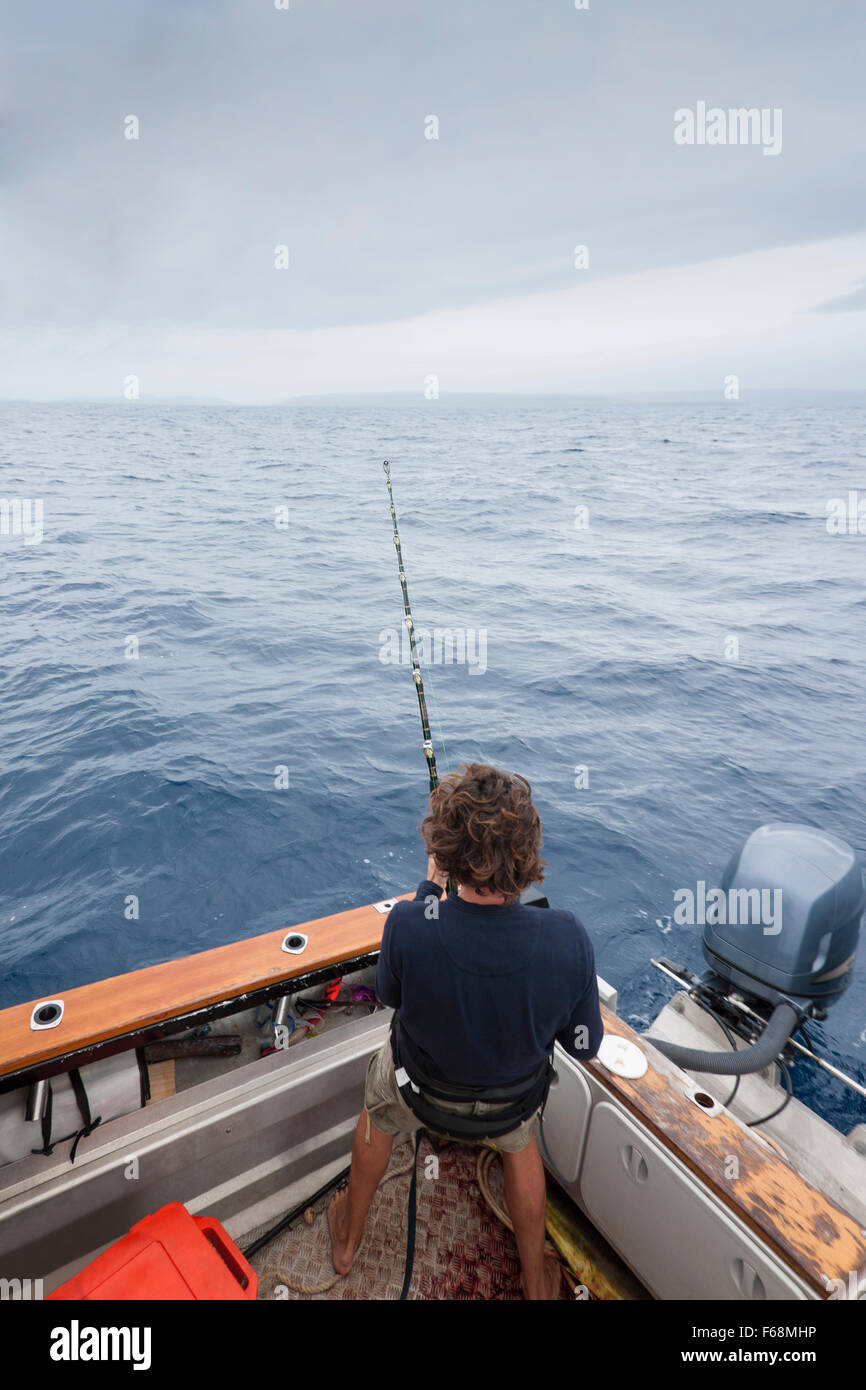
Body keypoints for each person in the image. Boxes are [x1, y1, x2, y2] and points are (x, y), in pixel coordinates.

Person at [328, 762, 603, 1300]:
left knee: (377, 1106)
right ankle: (534, 1282)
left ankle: (346, 1242)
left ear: (445, 852)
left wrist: (429, 886)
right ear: (526, 857)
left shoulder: (409, 923)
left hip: (420, 1095)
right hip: (511, 1108)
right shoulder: (567, 936)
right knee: (520, 1147)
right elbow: (583, 1047)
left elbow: (389, 996)